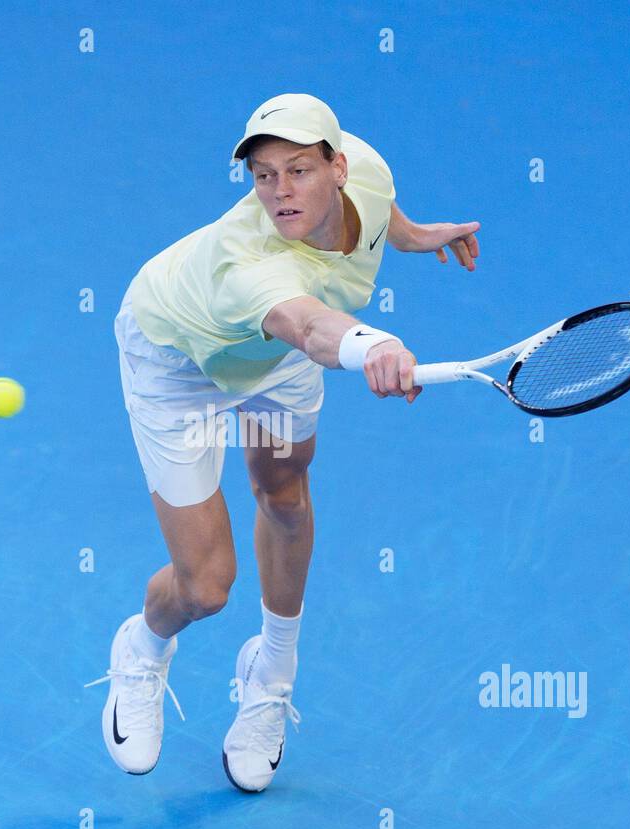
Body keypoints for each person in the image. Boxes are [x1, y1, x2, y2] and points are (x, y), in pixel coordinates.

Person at [86, 93, 481, 792]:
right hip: (178, 361)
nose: (281, 191)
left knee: (287, 497)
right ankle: (142, 645)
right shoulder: (251, 264)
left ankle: (271, 672)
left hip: (273, 364)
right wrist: (374, 344)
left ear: (339, 166)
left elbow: (378, 213)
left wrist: (418, 236)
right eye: (263, 176)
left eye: (297, 170)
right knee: (206, 587)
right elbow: (308, 327)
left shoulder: (370, 174)